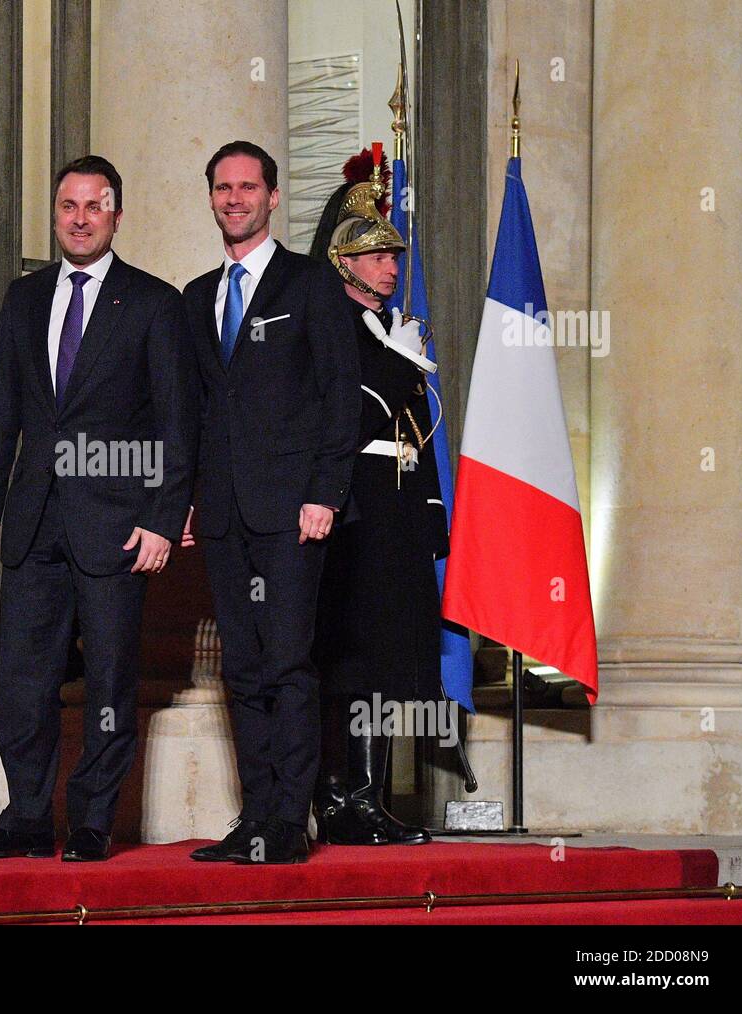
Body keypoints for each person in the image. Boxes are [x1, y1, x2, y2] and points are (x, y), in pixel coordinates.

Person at [0, 155, 195, 862]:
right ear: (56, 212)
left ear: (116, 216)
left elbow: (177, 424)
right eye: (69, 205)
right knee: (22, 681)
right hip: (33, 520)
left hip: (118, 526)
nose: (81, 217)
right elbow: (1, 408)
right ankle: (28, 817)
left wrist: (162, 517)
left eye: (96, 206)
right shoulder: (25, 298)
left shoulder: (155, 303)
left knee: (110, 679)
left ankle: (92, 821)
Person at [181, 142, 359, 864]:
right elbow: (192, 412)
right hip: (223, 516)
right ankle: (253, 818)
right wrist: (188, 503)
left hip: (292, 513)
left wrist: (325, 493)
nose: (234, 199)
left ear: (273, 197)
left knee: (287, 663)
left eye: (248, 187)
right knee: (243, 668)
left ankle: (289, 821)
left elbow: (341, 397)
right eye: (223, 188)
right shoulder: (198, 296)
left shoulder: (312, 284)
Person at [307, 147, 444, 846]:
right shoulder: (335, 330)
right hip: (353, 513)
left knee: (392, 658)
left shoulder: (390, 333)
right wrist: (396, 363)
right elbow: (348, 419)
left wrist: (431, 517)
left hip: (394, 518)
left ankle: (370, 795)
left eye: (394, 255)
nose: (392, 266)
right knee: (351, 659)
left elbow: (415, 440)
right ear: (343, 260)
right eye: (377, 255)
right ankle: (342, 796)